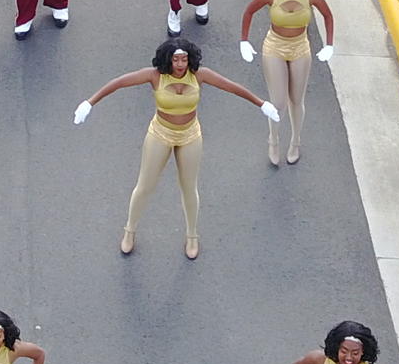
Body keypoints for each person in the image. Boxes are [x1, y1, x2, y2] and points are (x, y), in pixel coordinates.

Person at [75, 39, 278, 260]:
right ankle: (129, 230)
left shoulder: (199, 75)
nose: (180, 64)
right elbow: (119, 82)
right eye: (176, 59)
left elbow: (231, 86)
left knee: (189, 188)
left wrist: (261, 104)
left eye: (184, 58)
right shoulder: (155, 76)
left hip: (190, 134)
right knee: (144, 186)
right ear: (168, 59)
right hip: (160, 133)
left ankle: (192, 235)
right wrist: (90, 102)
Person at [236, 0, 337, 166]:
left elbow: (328, 16)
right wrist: (244, 41)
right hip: (274, 46)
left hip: (300, 47)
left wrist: (329, 44)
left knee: (296, 100)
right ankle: (273, 139)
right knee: (278, 102)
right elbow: (248, 12)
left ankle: (296, 141)